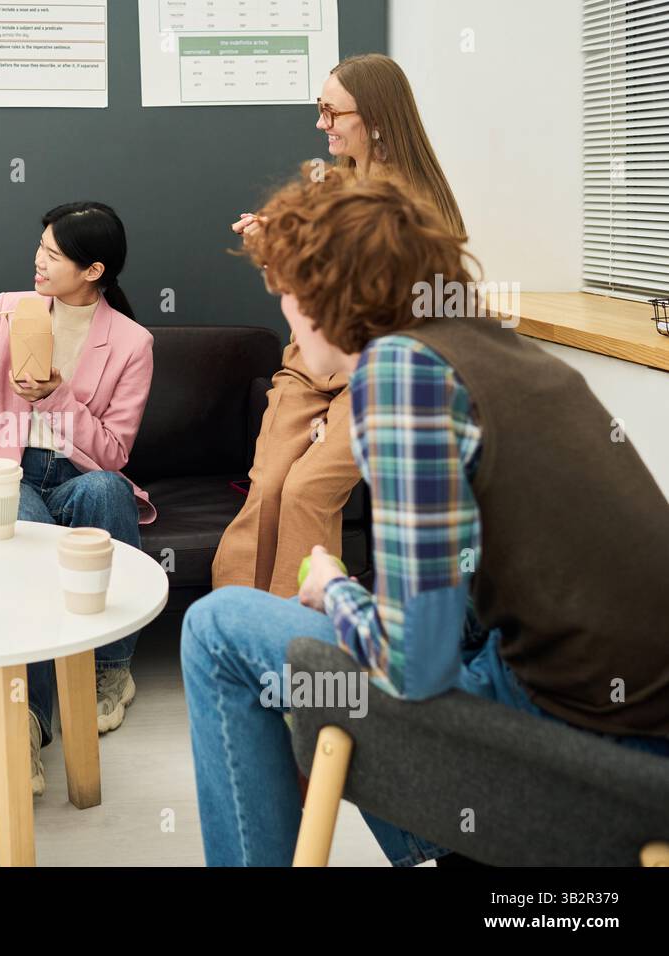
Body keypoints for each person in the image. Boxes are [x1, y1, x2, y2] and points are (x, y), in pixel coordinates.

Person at [182, 168, 669, 867]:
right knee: (348, 662)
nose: (284, 312)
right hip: (621, 730)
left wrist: (332, 588)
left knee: (218, 627)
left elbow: (415, 665)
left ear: (320, 297)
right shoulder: (504, 353)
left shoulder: (401, 375)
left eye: (285, 292)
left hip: (587, 760)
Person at [212, 53, 466, 597]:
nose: (320, 123)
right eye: (319, 108)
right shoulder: (333, 185)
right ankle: (236, 628)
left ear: (374, 117)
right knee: (268, 488)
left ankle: (301, 649)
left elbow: (394, 307)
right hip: (310, 370)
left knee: (306, 490)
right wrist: (274, 240)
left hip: (376, 375)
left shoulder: (418, 208)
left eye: (331, 111)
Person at [0, 202, 155, 796]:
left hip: (80, 473)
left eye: (54, 254)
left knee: (107, 492)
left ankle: (110, 672)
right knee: (13, 533)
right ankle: (17, 724)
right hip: (8, 469)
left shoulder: (132, 343)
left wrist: (57, 397)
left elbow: (111, 454)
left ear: (93, 269)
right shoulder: (10, 309)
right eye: (41, 246)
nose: (38, 260)